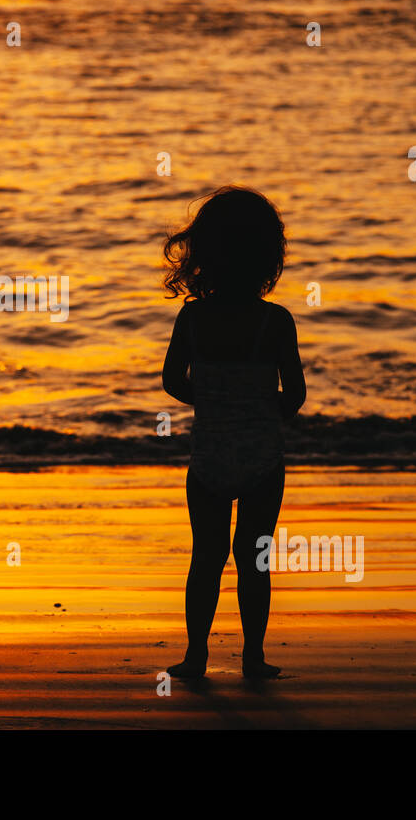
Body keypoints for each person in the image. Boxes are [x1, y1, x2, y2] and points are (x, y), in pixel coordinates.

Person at [160, 187, 306, 680]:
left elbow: (171, 381)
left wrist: (211, 401)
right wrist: (266, 411)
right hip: (263, 456)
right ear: (269, 255)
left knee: (207, 556)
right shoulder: (276, 320)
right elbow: (296, 393)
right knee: (255, 557)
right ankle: (253, 657)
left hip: (209, 455)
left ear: (204, 254)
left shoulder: (194, 317)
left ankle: (196, 655)